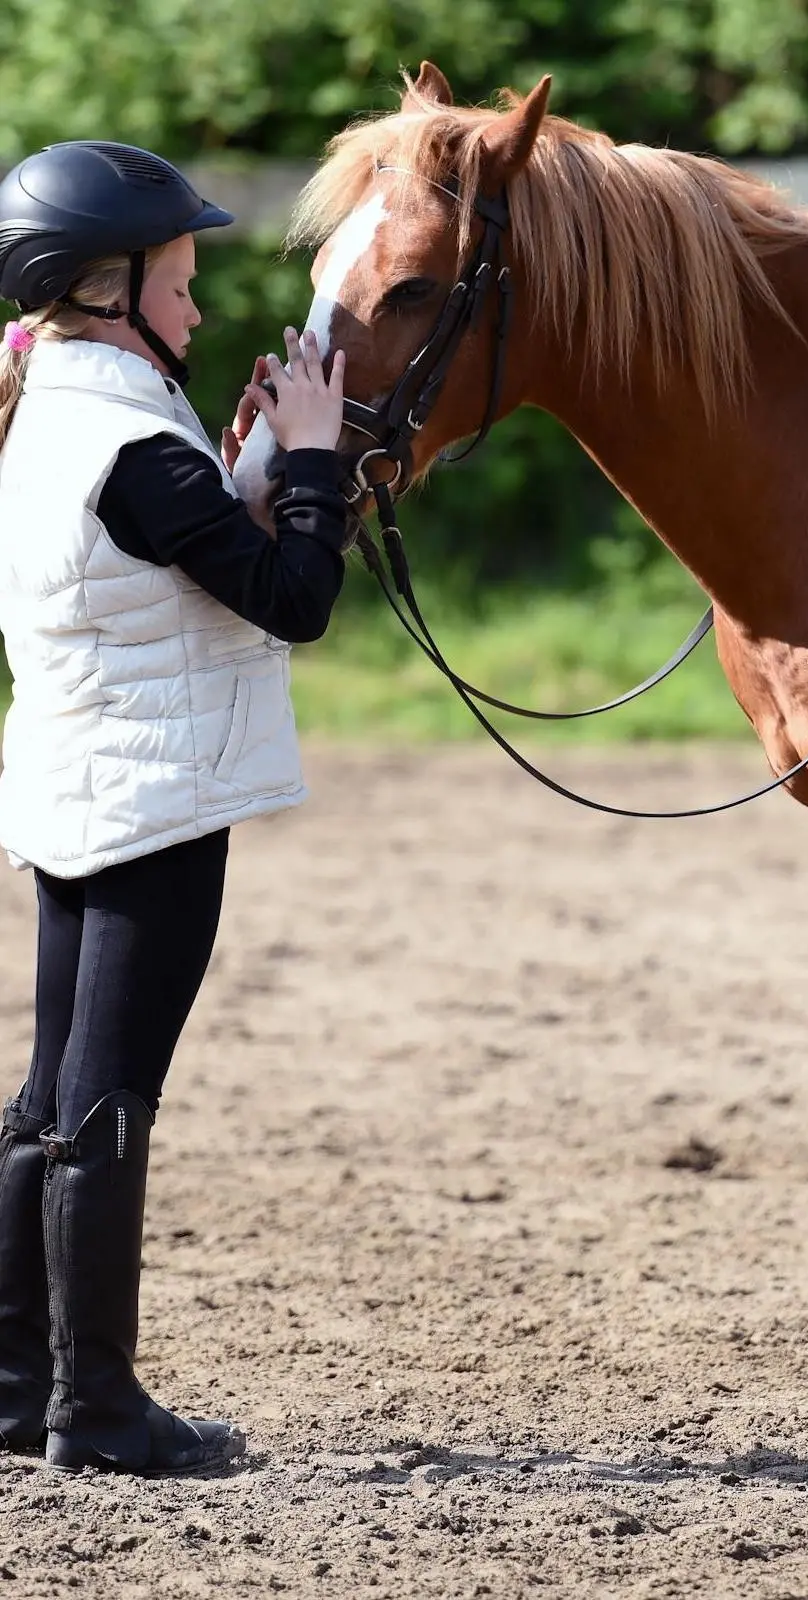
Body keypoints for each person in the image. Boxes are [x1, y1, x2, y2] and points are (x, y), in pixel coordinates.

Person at [0, 140, 351, 1474]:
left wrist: (248, 462)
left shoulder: (42, 407)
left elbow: (175, 559)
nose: (197, 312)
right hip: (153, 804)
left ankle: (14, 1377)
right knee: (104, 1097)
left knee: (46, 1092)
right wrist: (311, 459)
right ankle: (96, 1412)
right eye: (183, 284)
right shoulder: (138, 444)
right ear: (108, 289)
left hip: (67, 783)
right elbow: (294, 602)